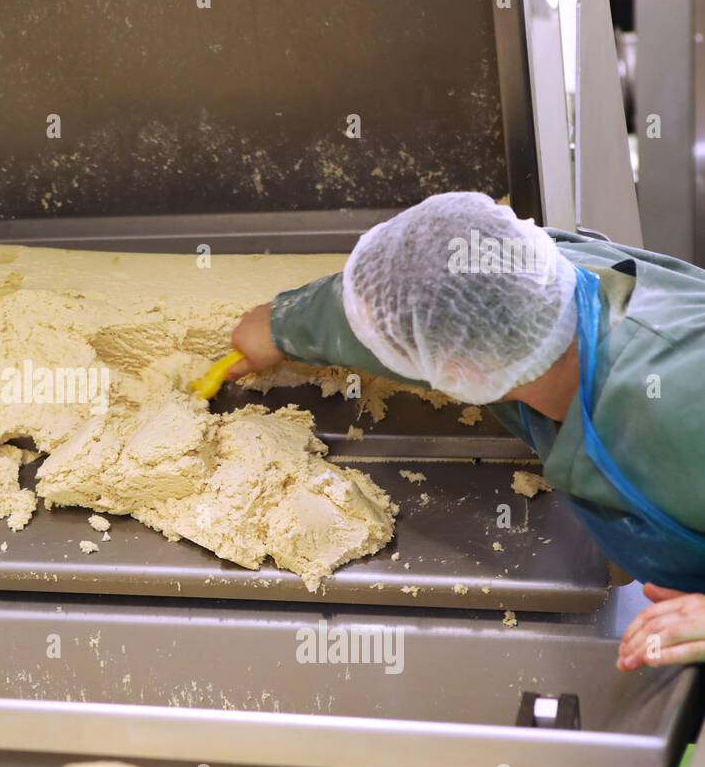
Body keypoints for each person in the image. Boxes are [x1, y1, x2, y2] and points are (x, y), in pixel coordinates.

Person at [227, 192, 705, 671]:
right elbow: (422, 298)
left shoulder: (677, 399)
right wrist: (284, 324)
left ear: (460, 373)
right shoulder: (532, 281)